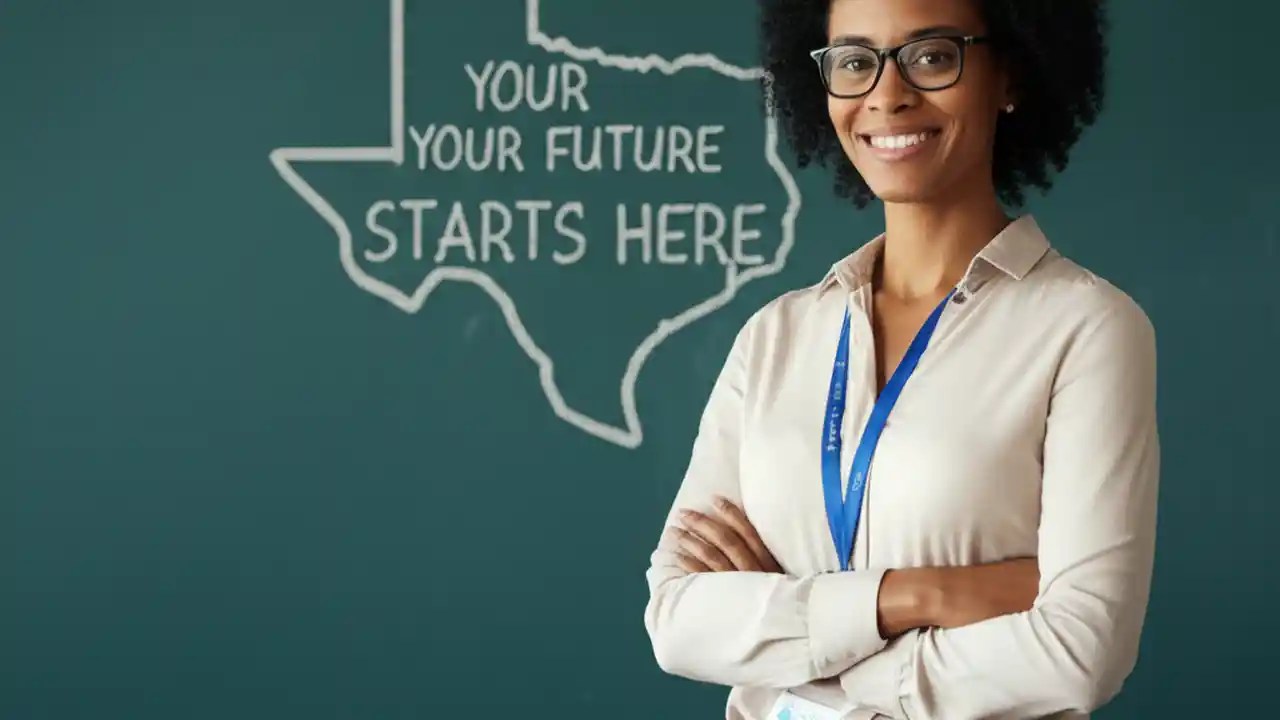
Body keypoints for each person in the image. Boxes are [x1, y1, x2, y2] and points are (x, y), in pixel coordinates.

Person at [642, 1, 1158, 718]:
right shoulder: (775, 336)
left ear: (1007, 74)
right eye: (854, 62)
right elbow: (677, 621)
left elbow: (1077, 653)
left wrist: (809, 656)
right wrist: (918, 595)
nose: (887, 94)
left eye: (932, 56)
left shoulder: (1086, 328)